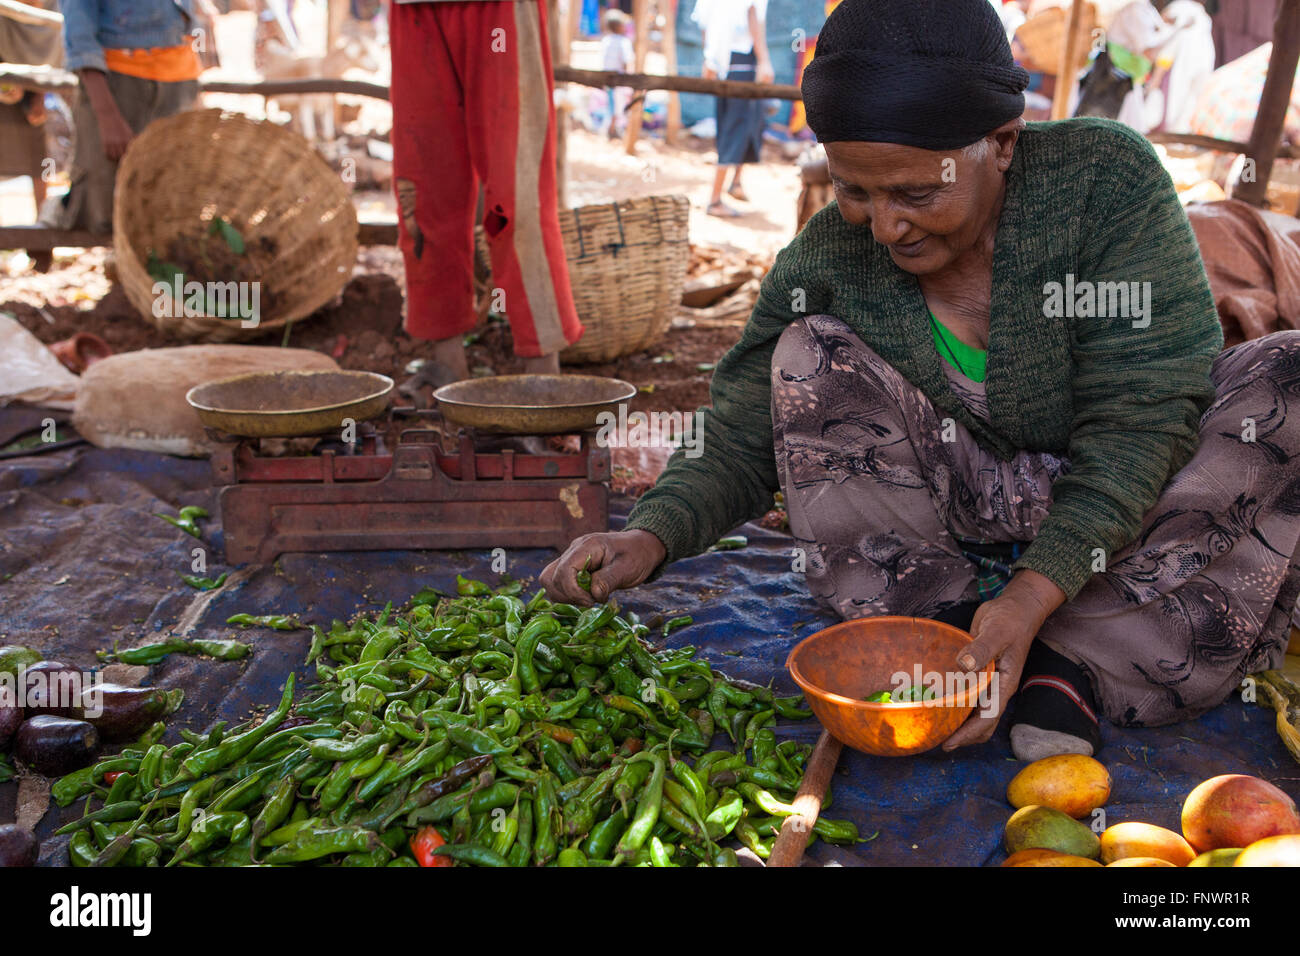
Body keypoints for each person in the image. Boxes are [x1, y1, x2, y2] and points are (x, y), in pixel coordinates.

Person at [542, 0, 1300, 762]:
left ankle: (1074, 663)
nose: (883, 227)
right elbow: (740, 432)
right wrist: (652, 532)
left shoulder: (1103, 185)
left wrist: (1035, 594)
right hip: (962, 500)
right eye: (855, 190)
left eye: (915, 193)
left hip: (1133, 506)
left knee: (1287, 376)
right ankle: (948, 639)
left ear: (1002, 143)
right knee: (807, 352)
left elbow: (1144, 422)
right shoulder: (828, 257)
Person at [389, 0, 584, 382]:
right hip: (413, 8)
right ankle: (445, 362)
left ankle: (543, 371)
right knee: (423, 191)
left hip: (500, 9)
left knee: (516, 194)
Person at [55, 0, 212, 234]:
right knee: (106, 205)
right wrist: (107, 116)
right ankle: (53, 217)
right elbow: (81, 37)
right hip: (120, 88)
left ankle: (169, 271)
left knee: (174, 204)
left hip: (178, 82)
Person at [693, 0, 773, 217]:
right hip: (742, 60)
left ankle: (735, 183)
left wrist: (709, 59)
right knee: (736, 126)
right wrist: (764, 60)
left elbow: (703, 23)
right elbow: (753, 14)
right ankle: (714, 200)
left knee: (746, 123)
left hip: (723, 62)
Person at [599, 7, 633, 138]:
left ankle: (611, 128)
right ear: (619, 26)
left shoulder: (606, 40)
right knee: (617, 104)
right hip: (619, 78)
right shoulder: (623, 42)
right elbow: (626, 61)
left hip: (606, 76)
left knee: (611, 103)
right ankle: (612, 129)